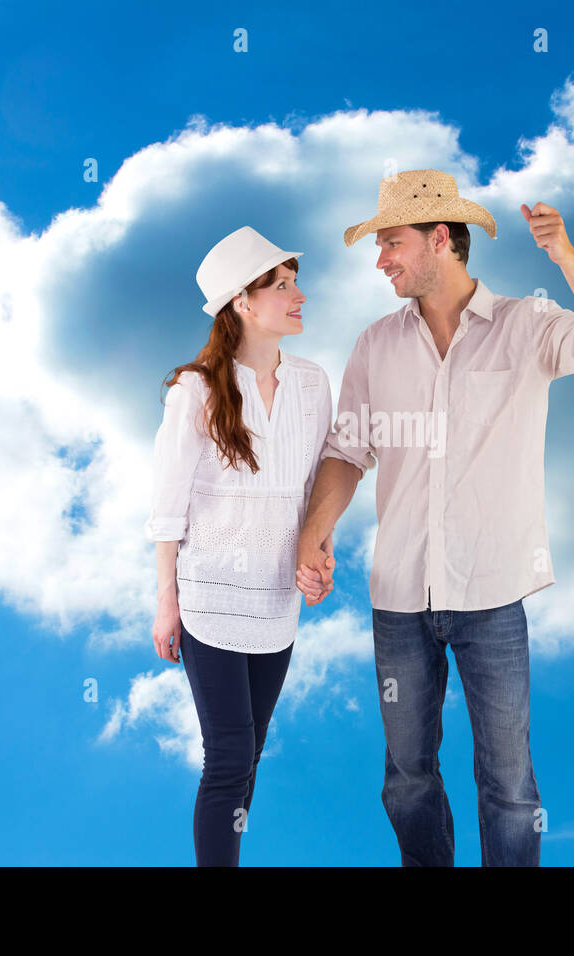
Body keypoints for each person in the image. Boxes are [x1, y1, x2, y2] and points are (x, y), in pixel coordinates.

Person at [294, 169, 574, 866]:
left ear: (440, 239)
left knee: (509, 785)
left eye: (392, 242)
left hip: (493, 593)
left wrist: (565, 255)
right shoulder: (375, 344)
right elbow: (347, 451)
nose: (381, 259)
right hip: (399, 596)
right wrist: (312, 535)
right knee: (407, 779)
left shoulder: (525, 325)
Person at [147, 226, 334, 866]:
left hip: (277, 600)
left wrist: (319, 552)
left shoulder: (313, 383)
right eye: (281, 285)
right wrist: (166, 600)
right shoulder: (196, 389)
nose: (298, 295)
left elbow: (315, 486)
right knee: (227, 755)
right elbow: (168, 504)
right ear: (242, 302)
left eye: (295, 282)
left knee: (249, 755)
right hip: (209, 597)